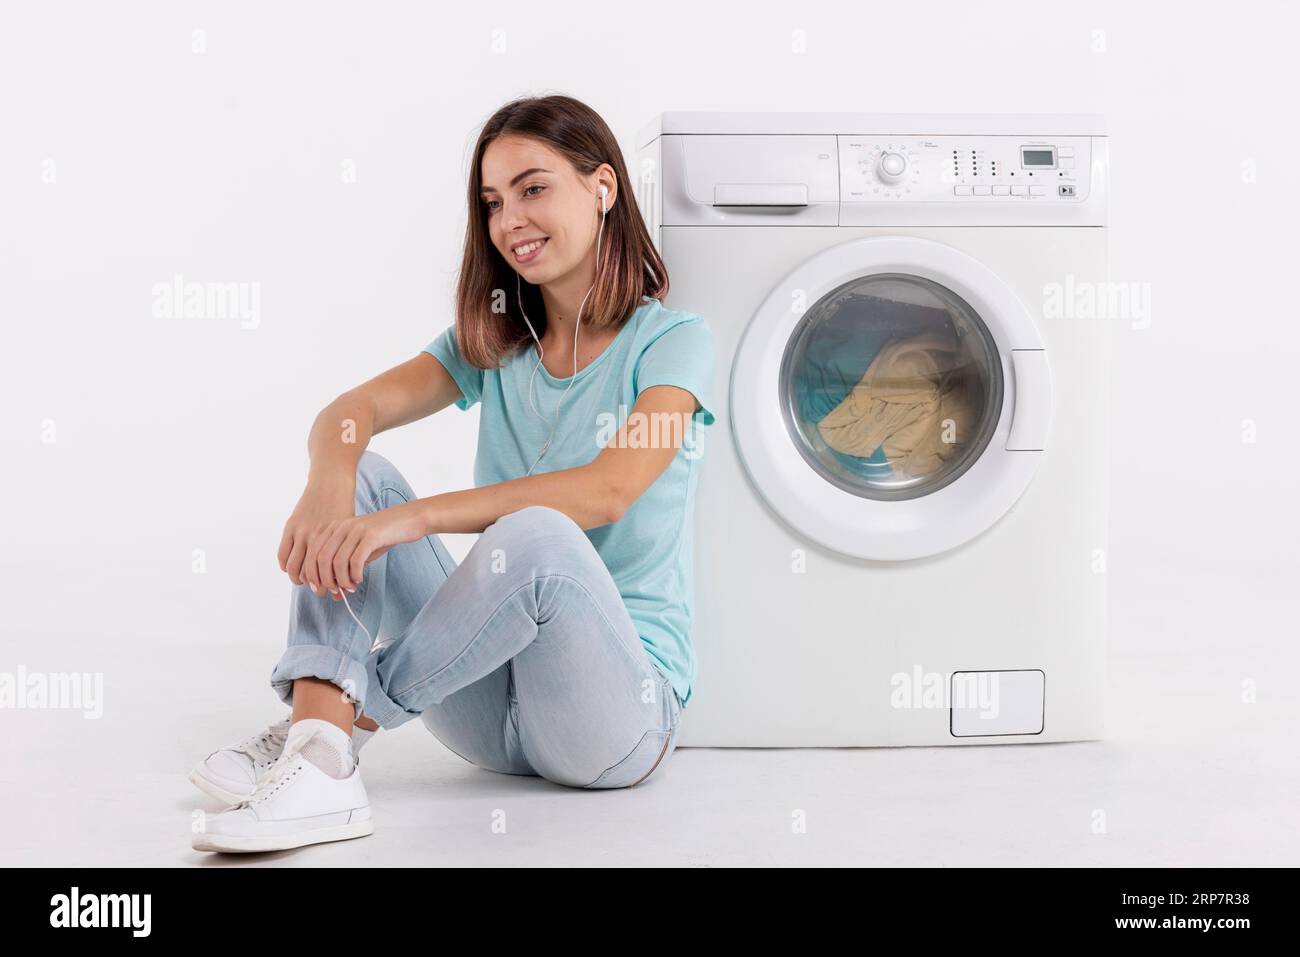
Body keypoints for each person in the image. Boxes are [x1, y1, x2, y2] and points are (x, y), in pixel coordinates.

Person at [189, 94, 716, 853]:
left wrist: (416, 517)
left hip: (615, 719)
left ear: (603, 187)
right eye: (494, 202)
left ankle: (332, 722)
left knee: (537, 536)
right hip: (485, 712)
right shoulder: (498, 339)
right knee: (364, 472)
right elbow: (350, 411)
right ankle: (320, 752)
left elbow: (610, 489)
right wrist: (327, 485)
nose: (510, 222)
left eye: (533, 189)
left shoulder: (673, 344)